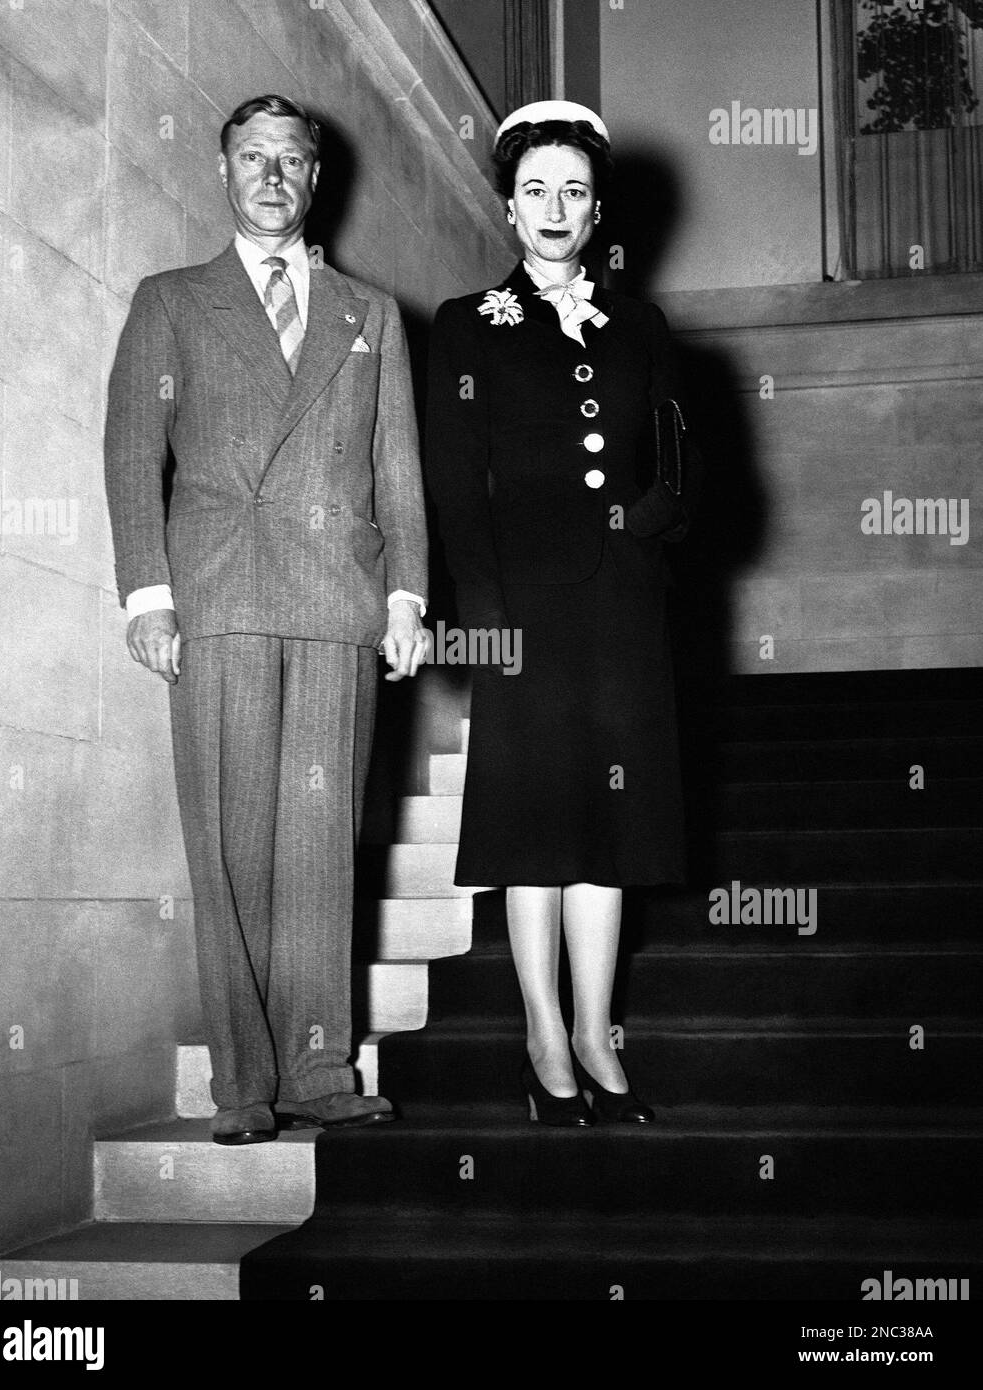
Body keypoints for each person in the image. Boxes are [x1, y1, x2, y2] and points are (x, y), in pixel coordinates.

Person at [104, 95, 429, 1145]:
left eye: (292, 158)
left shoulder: (367, 311)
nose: (273, 175)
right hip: (221, 600)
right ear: (221, 169)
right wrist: (149, 594)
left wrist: (407, 594)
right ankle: (244, 1084)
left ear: (316, 176)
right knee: (233, 845)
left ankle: (319, 1069)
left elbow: (399, 469)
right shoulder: (171, 300)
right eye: (254, 156)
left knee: (320, 846)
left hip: (337, 598)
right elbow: (129, 456)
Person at [425, 101, 700, 1126]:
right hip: (521, 613)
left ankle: (596, 1030)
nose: (555, 206)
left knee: (610, 828)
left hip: (623, 608)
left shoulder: (640, 324)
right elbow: (456, 486)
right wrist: (484, 617)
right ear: (507, 206)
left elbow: (679, 453)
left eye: (574, 191)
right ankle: (541, 1030)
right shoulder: (466, 324)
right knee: (533, 826)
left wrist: (650, 515)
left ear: (596, 212)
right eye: (535, 188)